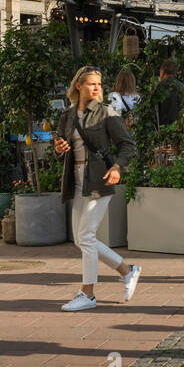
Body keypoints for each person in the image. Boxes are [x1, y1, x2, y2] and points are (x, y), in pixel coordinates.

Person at [53, 65, 141, 312]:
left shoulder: (106, 113)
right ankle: (127, 270)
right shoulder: (67, 116)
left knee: (87, 237)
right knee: (82, 240)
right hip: (77, 179)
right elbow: (61, 150)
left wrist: (117, 168)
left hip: (99, 178)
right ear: (78, 86)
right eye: (92, 83)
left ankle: (88, 293)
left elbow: (128, 145)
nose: (96, 88)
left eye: (99, 84)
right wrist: (59, 150)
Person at [155, 58, 182, 126]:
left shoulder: (161, 86)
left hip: (165, 126)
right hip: (180, 126)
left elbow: (155, 109)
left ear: (163, 71)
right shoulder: (182, 86)